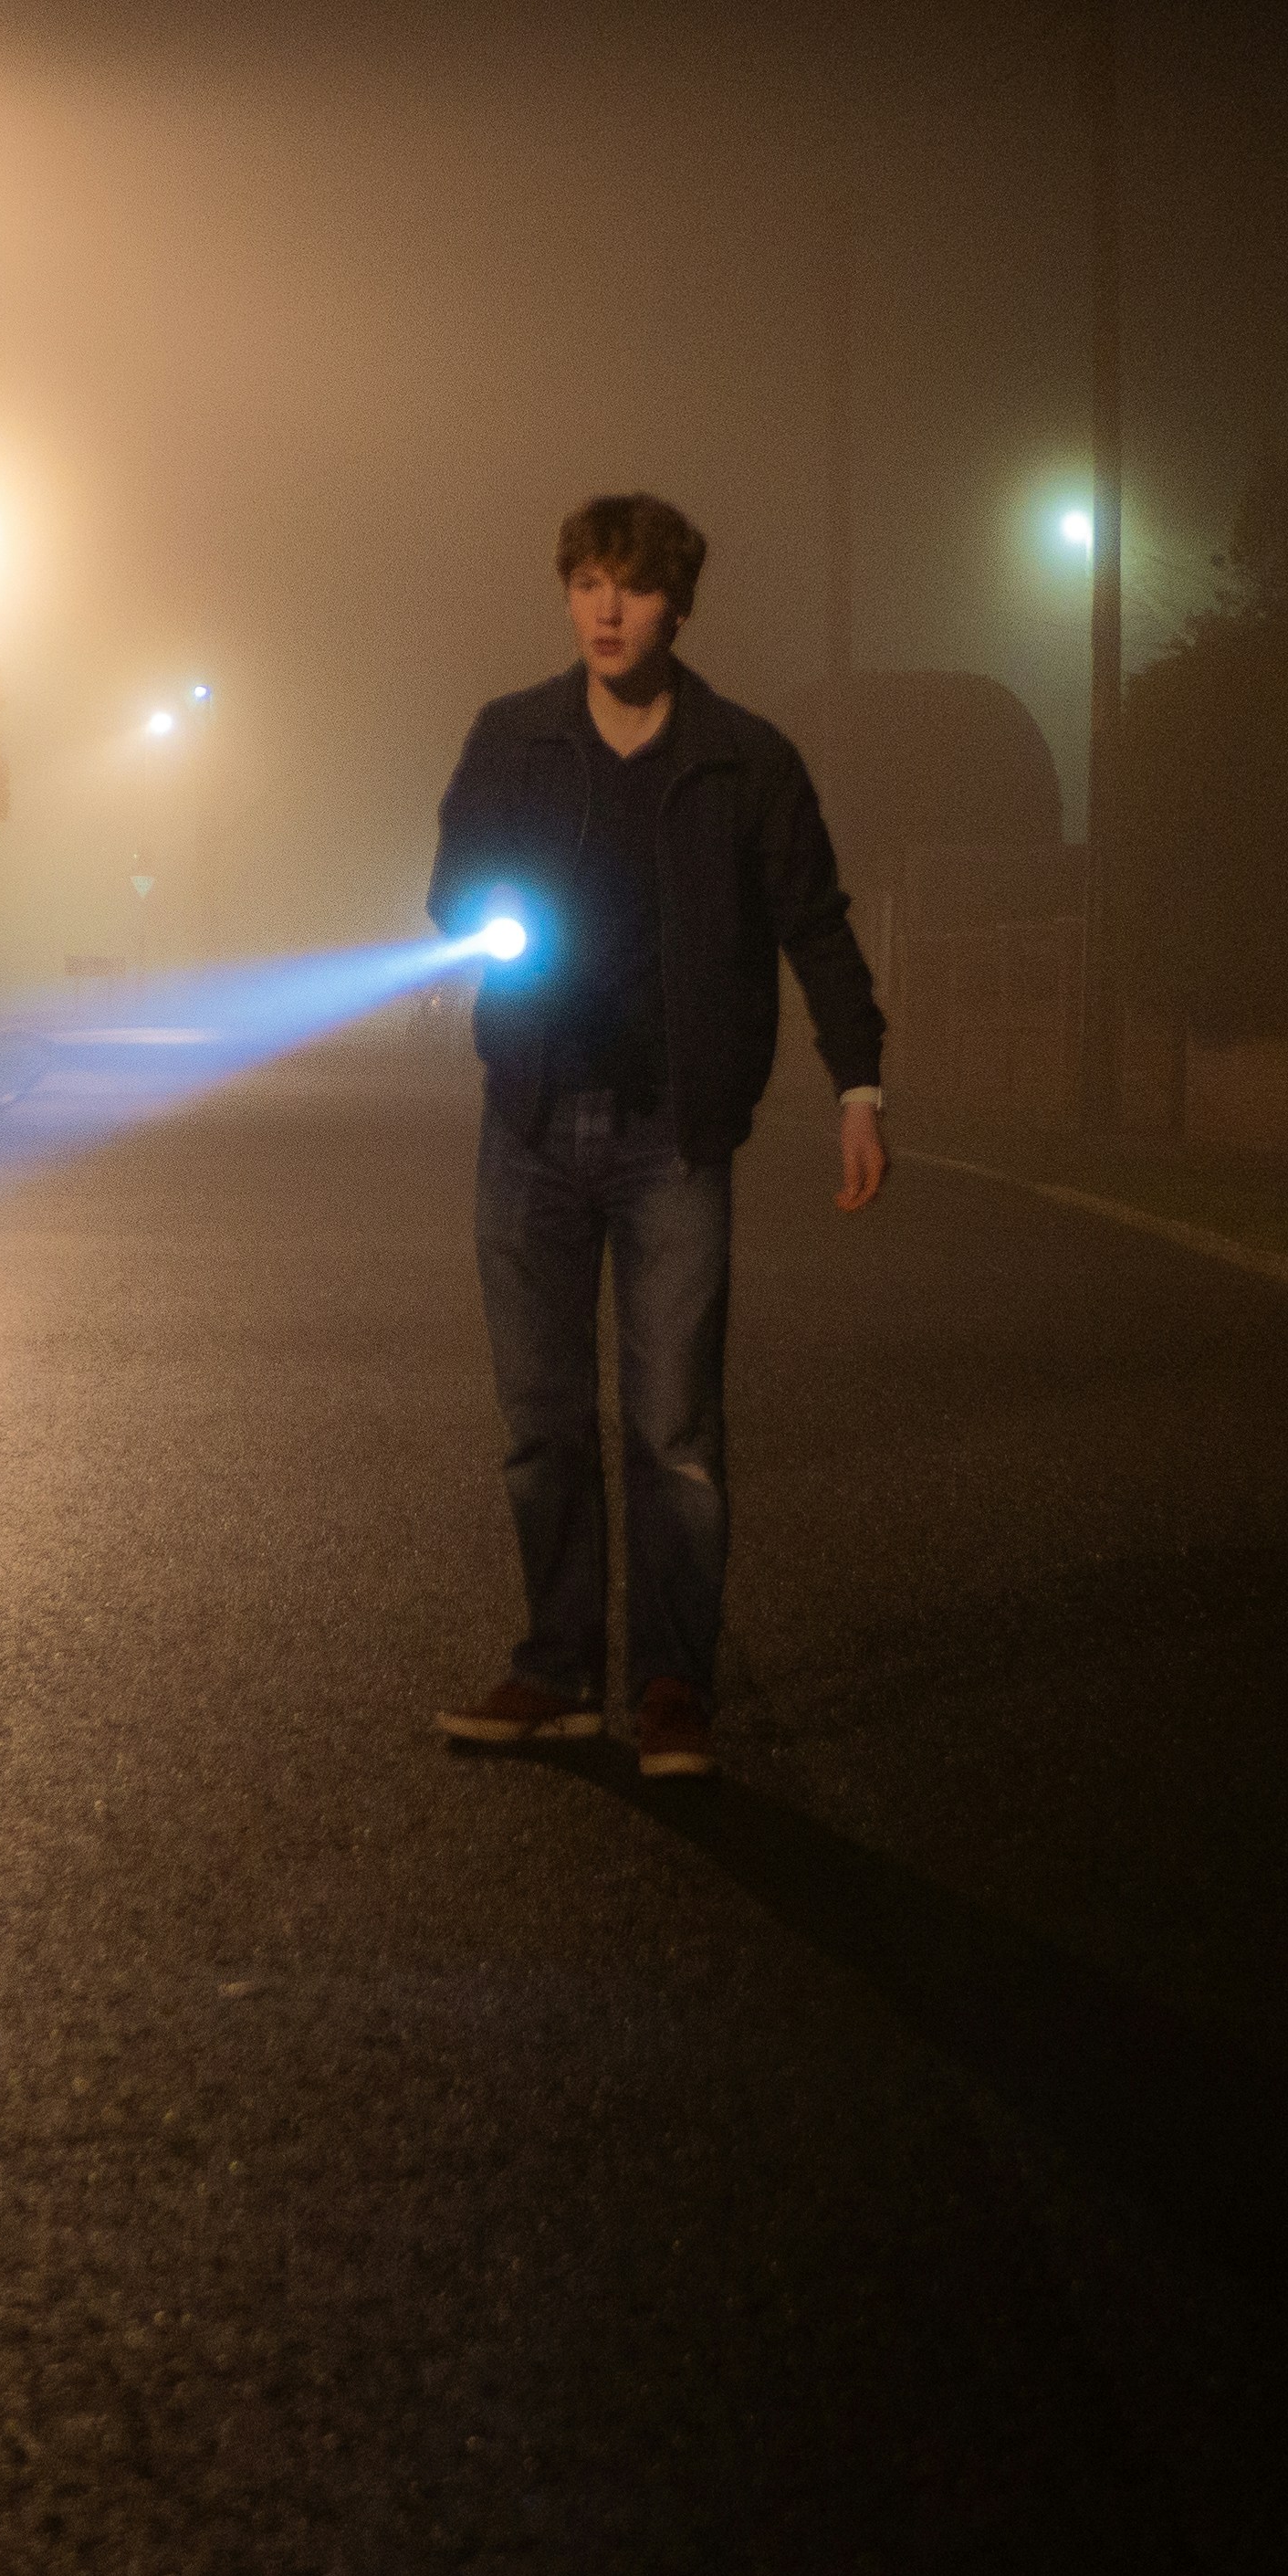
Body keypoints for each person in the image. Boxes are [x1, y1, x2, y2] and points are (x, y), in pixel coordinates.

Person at [424, 490, 887, 1781]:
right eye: (586, 584)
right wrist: (492, 900)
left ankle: (673, 1686)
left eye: (631, 586)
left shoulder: (746, 760)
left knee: (675, 1431)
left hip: (672, 1136)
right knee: (541, 1418)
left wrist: (861, 1084)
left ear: (678, 601)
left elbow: (819, 927)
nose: (607, 610)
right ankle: (556, 1672)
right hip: (528, 1114)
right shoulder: (513, 736)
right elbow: (451, 881)